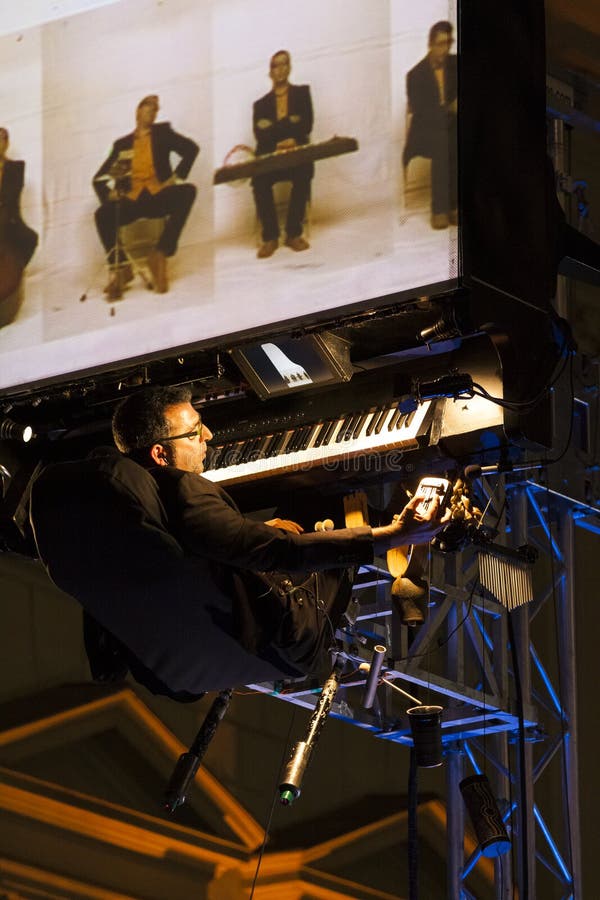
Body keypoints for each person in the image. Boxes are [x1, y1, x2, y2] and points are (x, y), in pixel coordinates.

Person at [29, 386, 444, 700]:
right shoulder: (184, 490)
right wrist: (394, 535)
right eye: (194, 433)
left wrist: (246, 531)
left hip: (196, 667)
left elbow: (192, 559)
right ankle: (412, 542)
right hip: (292, 637)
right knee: (329, 495)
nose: (208, 435)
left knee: (286, 520)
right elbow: (283, 553)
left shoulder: (115, 534)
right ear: (159, 455)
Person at [93, 96, 199, 298]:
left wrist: (175, 178)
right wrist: (110, 194)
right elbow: (98, 179)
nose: (153, 113)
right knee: (102, 214)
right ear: (137, 112)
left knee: (188, 191)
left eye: (156, 110)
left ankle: (160, 253)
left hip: (157, 196)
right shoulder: (122, 144)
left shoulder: (163, 133)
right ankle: (121, 267)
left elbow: (191, 149)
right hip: (130, 200)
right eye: (148, 109)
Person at [252, 51, 313, 259]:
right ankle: (270, 237)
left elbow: (307, 124)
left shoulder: (303, 93)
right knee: (259, 180)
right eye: (276, 66)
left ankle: (293, 234)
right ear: (270, 72)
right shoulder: (259, 105)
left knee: (305, 172)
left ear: (290, 67)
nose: (281, 69)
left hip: (297, 156)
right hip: (272, 157)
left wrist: (285, 134)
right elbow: (260, 135)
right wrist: (288, 128)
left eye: (284, 64)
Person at [403, 21, 458, 230]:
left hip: (451, 126)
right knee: (443, 141)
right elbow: (420, 112)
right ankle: (440, 209)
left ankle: (454, 204)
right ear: (430, 44)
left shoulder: (456, 64)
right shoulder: (415, 75)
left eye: (448, 43)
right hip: (425, 131)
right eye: (440, 44)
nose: (445, 49)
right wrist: (448, 109)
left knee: (455, 139)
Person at [0, 127, 38, 268]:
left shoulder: (16, 167)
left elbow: (13, 194)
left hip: (9, 217)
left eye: (1, 139)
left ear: (6, 143)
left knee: (30, 238)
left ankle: (12, 274)